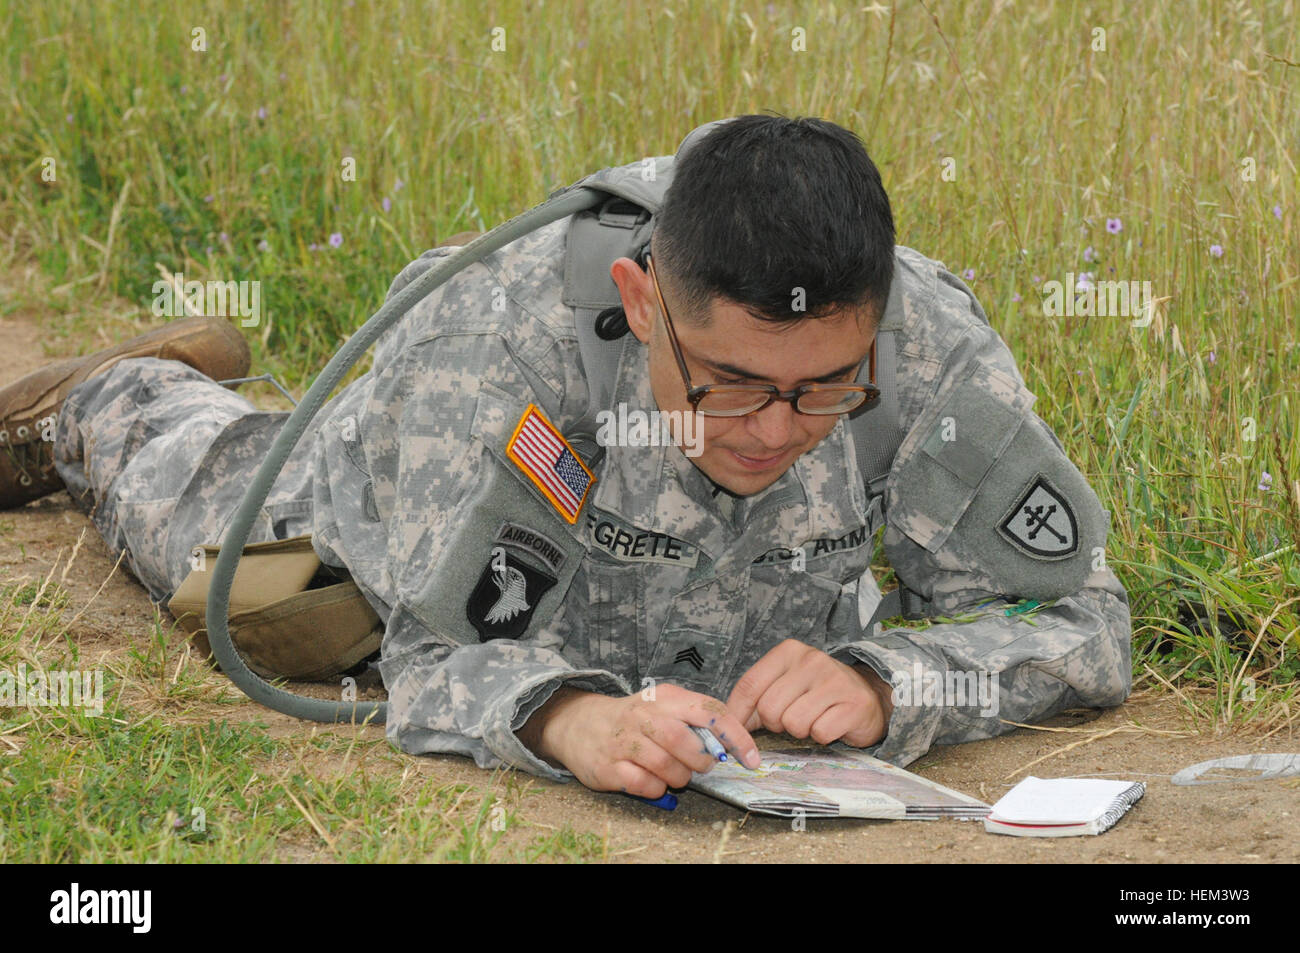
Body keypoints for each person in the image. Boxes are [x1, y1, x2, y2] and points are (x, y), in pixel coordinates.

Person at [0, 115, 1132, 800]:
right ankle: (114, 391)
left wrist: (893, 682)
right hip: (387, 487)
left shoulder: (924, 343)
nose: (776, 428)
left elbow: (1078, 621)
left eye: (825, 388)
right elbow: (437, 653)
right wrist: (567, 716)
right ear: (644, 305)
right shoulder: (495, 340)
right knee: (215, 526)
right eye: (730, 383)